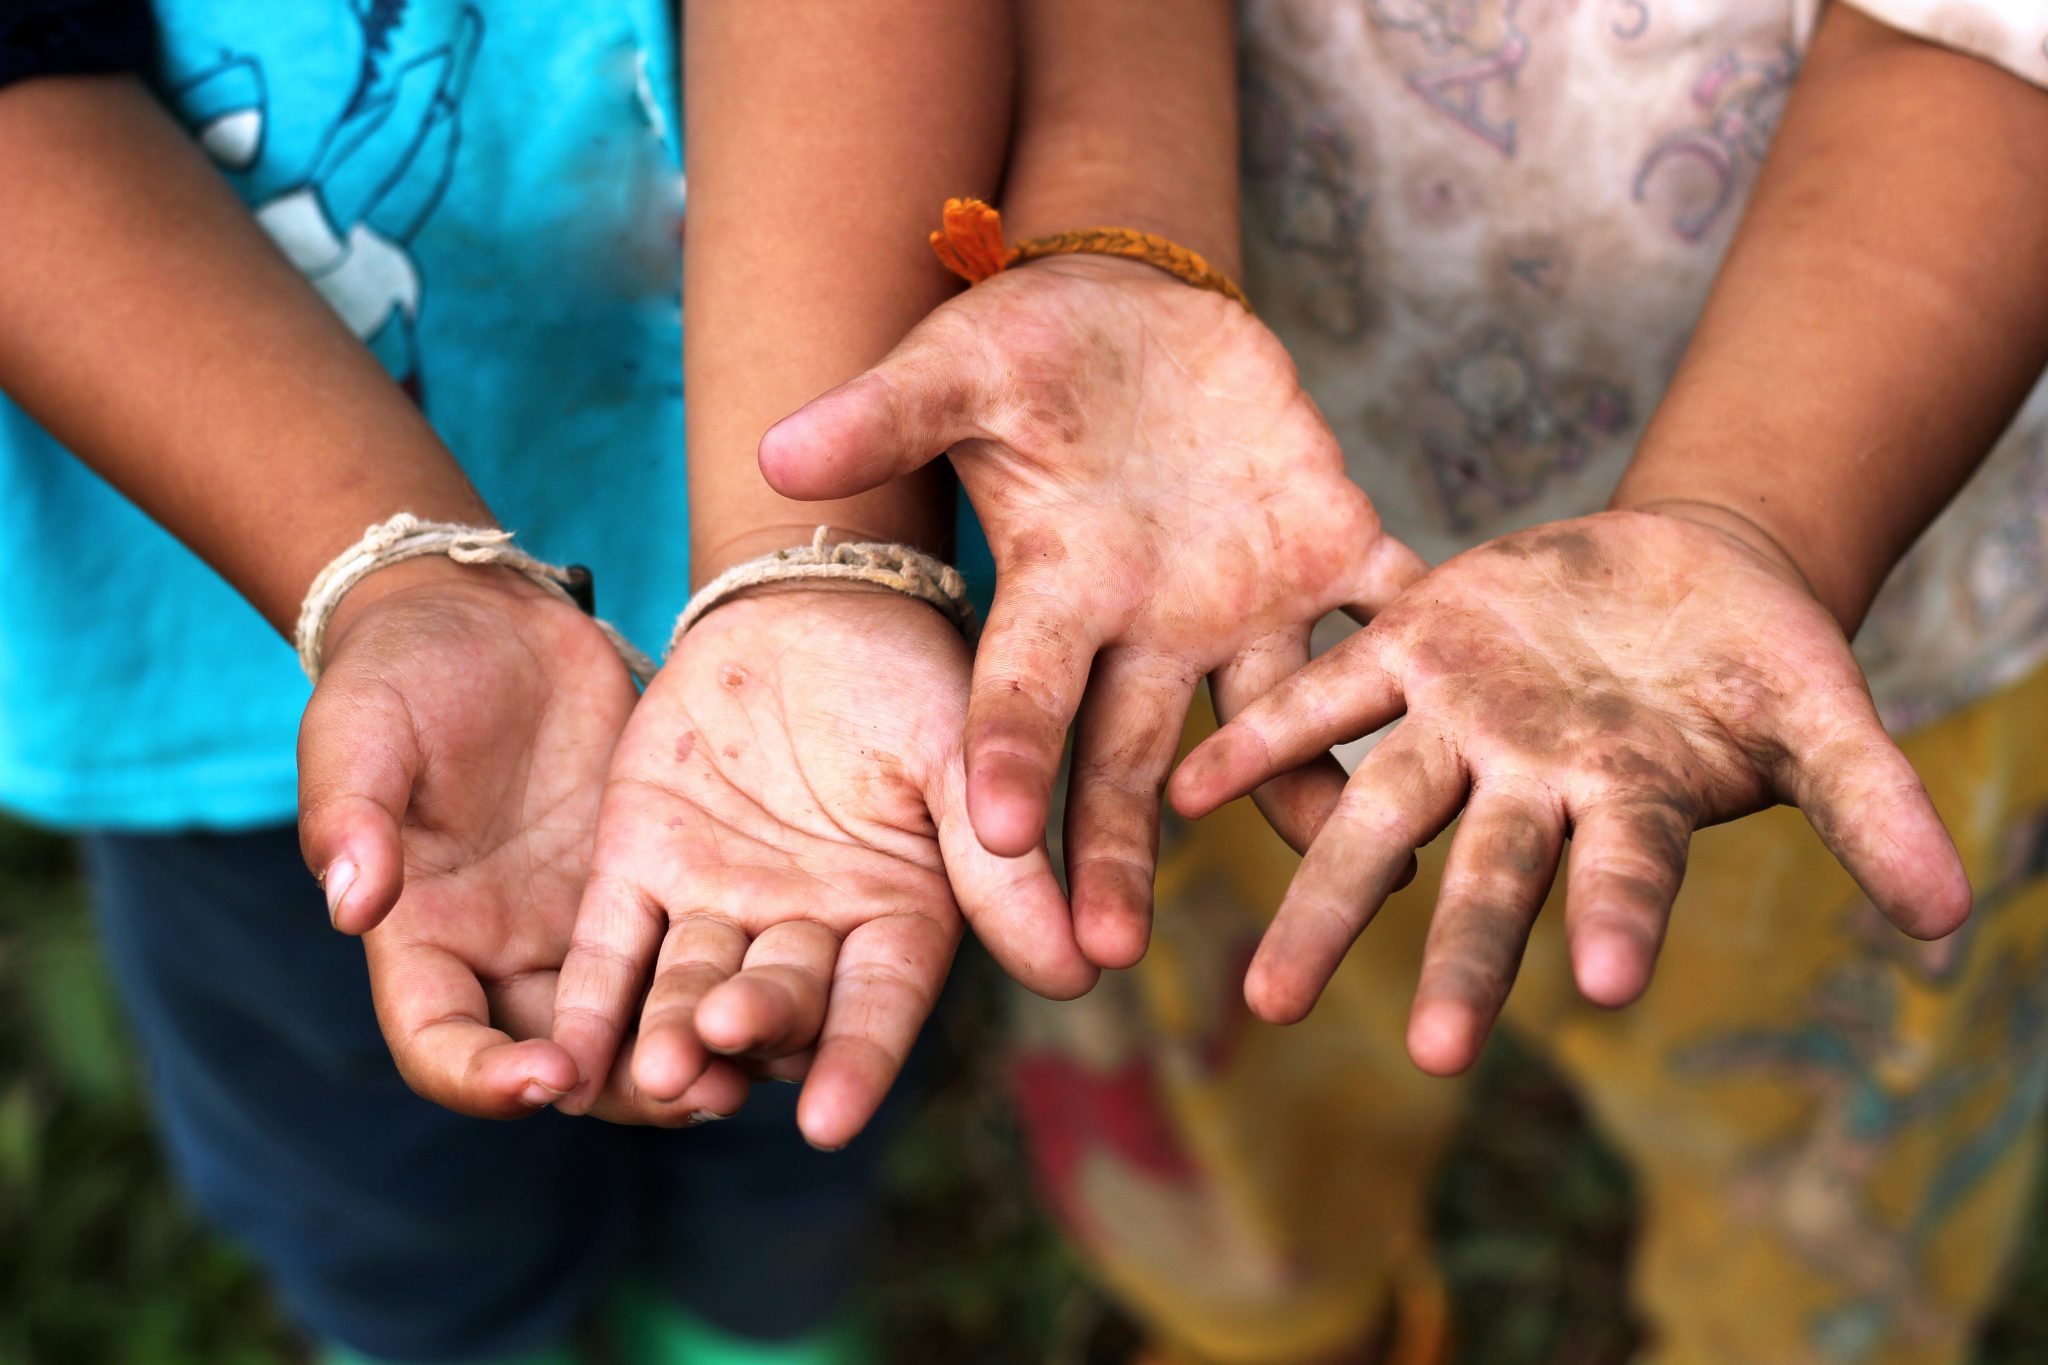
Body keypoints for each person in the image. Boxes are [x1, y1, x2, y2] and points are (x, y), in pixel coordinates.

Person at [743, 0, 2048, 1361]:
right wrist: (1133, 242)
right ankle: (1270, 1321)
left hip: (1844, 591)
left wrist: (1749, 521)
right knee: (1238, 1072)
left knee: (1812, 1162)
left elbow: (1979, 43)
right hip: (1237, 546)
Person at [0, 2, 1032, 1360]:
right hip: (238, 623)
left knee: (800, 1071)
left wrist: (813, 562)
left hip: (823, 505)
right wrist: (393, 576)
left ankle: (760, 1321)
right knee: (377, 1173)